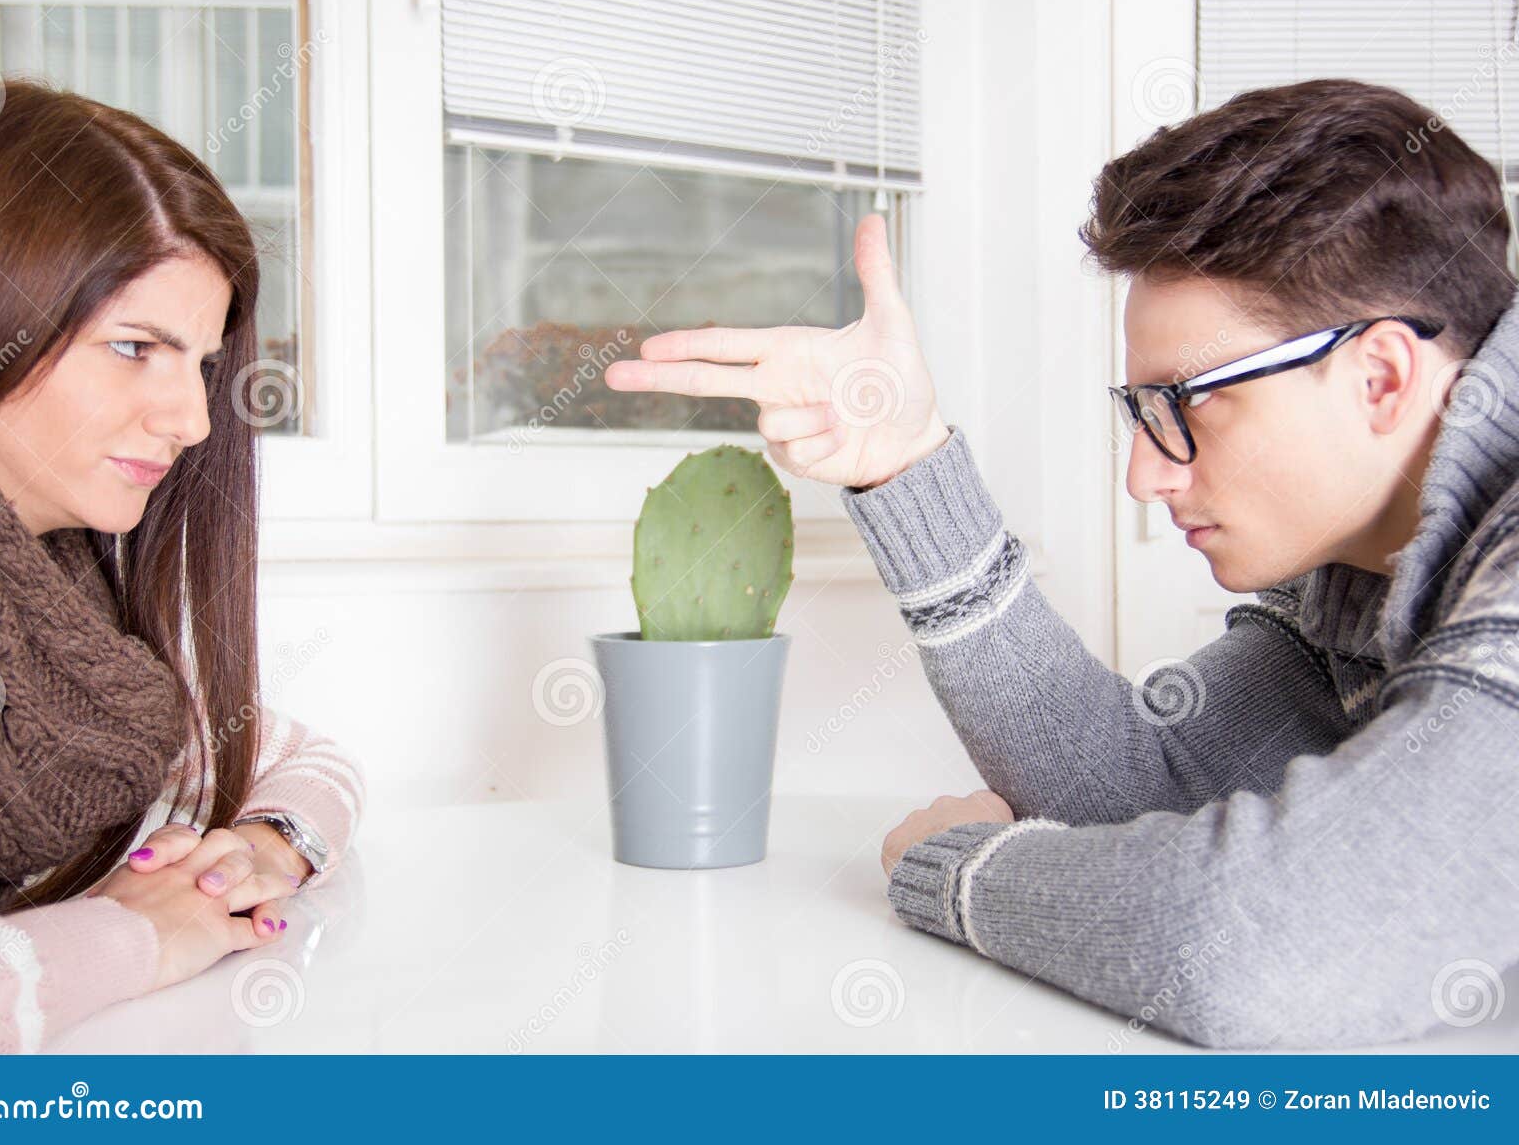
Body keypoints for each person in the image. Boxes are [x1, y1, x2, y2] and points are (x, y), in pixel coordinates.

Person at [604, 78, 1519, 1049]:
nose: (1142, 473)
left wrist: (960, 870)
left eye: (1185, 402)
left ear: (1379, 376)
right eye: (1139, 413)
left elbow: (1262, 946)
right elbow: (1140, 780)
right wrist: (906, 465)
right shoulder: (1355, 576)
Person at [0, 81, 365, 1053]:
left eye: (200, 363)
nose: (194, 421)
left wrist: (261, 852)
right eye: (133, 346)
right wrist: (133, 935)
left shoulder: (54, 584)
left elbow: (300, 757)